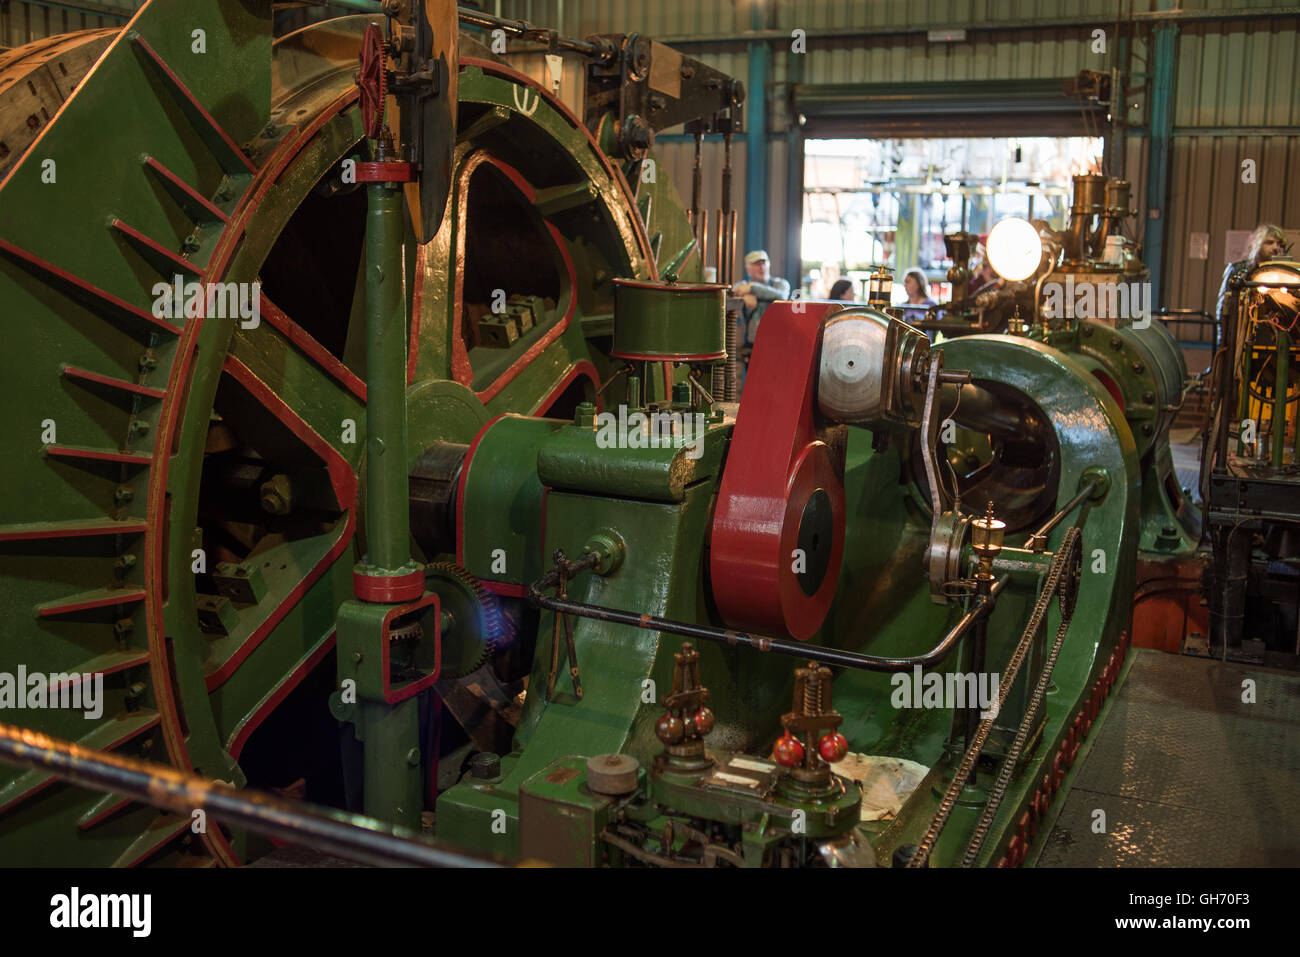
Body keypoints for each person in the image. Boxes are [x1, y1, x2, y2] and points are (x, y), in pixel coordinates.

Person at [1216, 224, 1288, 349]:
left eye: (1280, 244)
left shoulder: (1285, 276)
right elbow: (1223, 310)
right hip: (1240, 341)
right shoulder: (1237, 270)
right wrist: (1222, 344)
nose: (1276, 248)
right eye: (1270, 243)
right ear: (1257, 244)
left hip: (1272, 344)